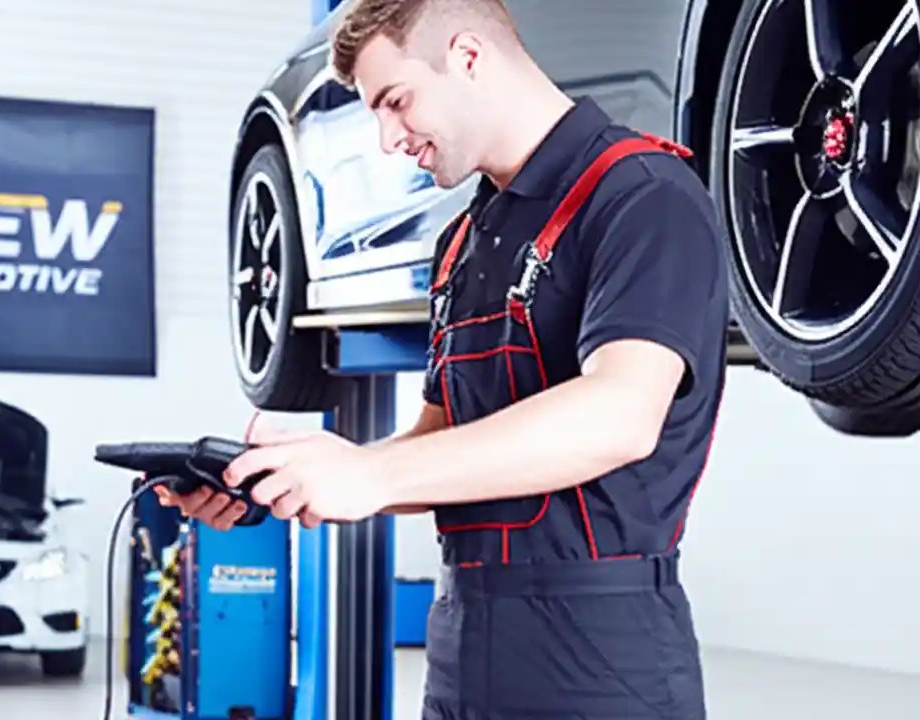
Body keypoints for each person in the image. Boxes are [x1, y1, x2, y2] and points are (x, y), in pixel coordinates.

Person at [157, 0, 728, 716]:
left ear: (467, 57)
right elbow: (442, 441)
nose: (389, 139)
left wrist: (368, 474)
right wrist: (294, 478)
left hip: (604, 660)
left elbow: (620, 413)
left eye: (396, 102)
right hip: (463, 645)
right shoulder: (460, 243)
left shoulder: (642, 196)